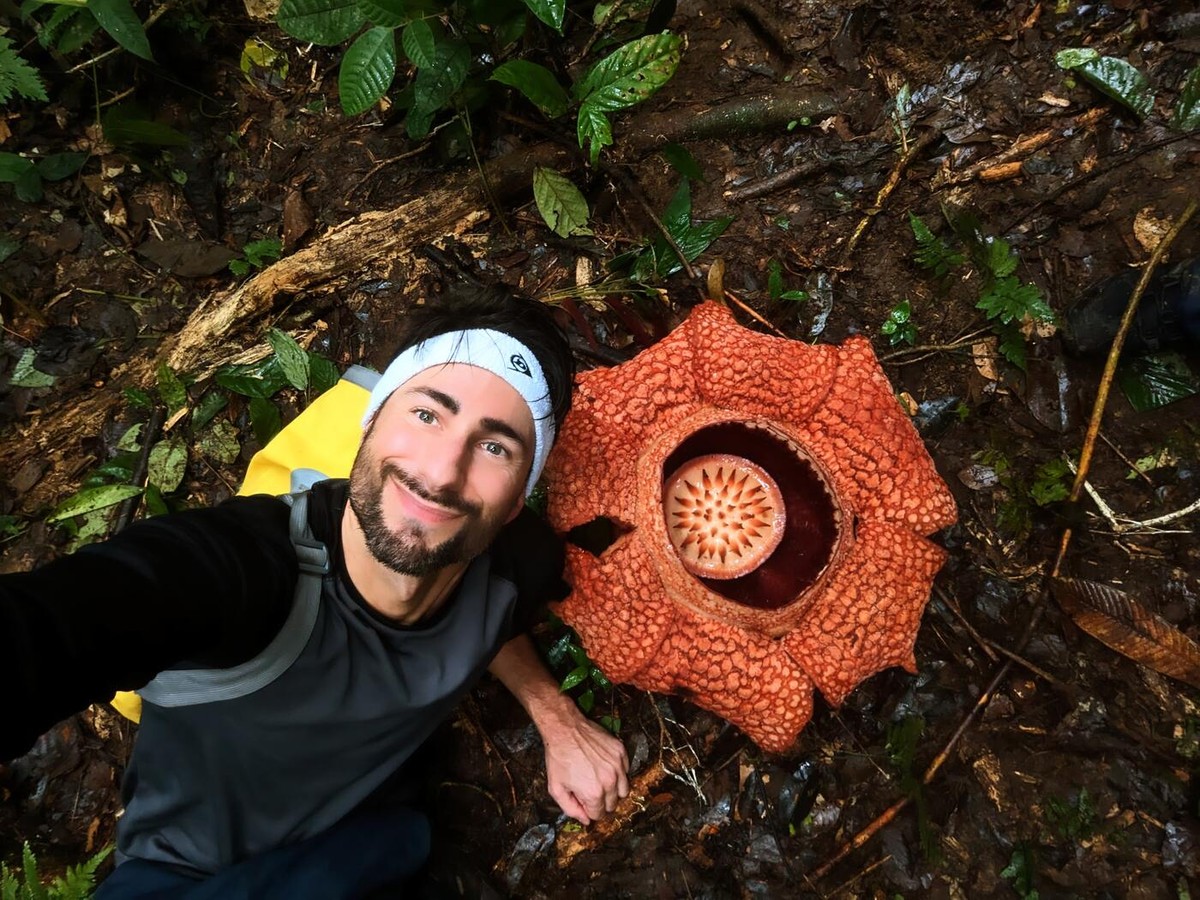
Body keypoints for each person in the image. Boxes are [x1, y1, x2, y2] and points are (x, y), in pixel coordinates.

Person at [1, 286, 630, 898]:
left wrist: (556, 716)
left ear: (517, 498)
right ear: (370, 421)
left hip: (378, 832)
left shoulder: (516, 563)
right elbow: (61, 626)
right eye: (426, 413)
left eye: (495, 445)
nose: (442, 473)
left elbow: (497, 613)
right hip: (192, 873)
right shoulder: (246, 574)